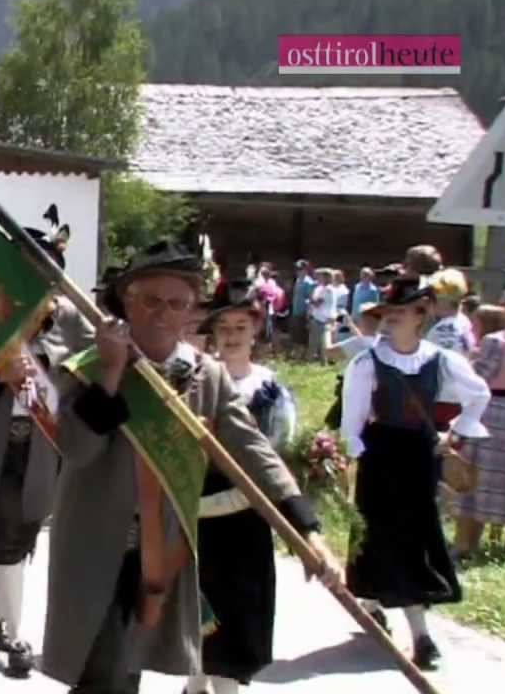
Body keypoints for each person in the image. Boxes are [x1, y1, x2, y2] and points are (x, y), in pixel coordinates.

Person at [43, 241, 341, 694]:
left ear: (191, 311)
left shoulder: (205, 375)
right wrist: (111, 373)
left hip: (163, 551)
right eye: (151, 301)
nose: (163, 314)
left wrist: (308, 530)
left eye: (177, 303)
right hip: (96, 544)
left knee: (130, 665)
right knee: (102, 672)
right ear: (126, 301)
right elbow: (76, 448)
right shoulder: (86, 368)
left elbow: (254, 452)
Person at [0, 227, 91, 679]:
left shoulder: (68, 315)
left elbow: (92, 358)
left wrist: (46, 365)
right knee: (7, 532)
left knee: (24, 531)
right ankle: (17, 635)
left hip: (44, 441)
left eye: (44, 268)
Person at [187, 282, 332, 694]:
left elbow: (273, 454)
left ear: (255, 330)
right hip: (199, 516)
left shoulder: (270, 389)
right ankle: (195, 684)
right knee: (200, 612)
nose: (232, 335)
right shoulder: (194, 382)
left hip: (250, 516)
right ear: (212, 333)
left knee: (240, 611)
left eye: (241, 326)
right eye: (224, 327)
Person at [340, 277, 490, 669]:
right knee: (377, 533)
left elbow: (479, 394)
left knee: (414, 538)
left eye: (401, 312)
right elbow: (352, 421)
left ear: (420, 316)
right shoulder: (367, 362)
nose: (392, 318)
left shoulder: (441, 360)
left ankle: (416, 632)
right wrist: (355, 455)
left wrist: (454, 433)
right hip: (380, 455)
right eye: (388, 312)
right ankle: (382, 612)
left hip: (421, 456)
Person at [454, 285, 505, 560]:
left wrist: (468, 362)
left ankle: (466, 543)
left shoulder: (496, 341)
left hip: (494, 411)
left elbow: (479, 377)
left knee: (479, 476)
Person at [426, 268, 475, 355]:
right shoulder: (463, 321)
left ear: (443, 300)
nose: (428, 301)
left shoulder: (444, 330)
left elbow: (443, 360)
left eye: (431, 297)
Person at [308, 269, 338, 364]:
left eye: (322, 276)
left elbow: (317, 303)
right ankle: (315, 361)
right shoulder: (321, 288)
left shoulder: (328, 289)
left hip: (324, 320)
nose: (320, 278)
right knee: (315, 342)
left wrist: (311, 300)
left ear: (327, 278)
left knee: (324, 343)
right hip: (318, 318)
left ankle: (324, 363)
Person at [290, 260, 315, 354]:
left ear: (306, 269)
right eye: (297, 269)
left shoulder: (308, 282)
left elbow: (310, 299)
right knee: (296, 333)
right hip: (296, 311)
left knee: (303, 334)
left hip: (303, 312)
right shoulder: (298, 280)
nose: (298, 271)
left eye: (300, 269)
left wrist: (308, 313)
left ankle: (303, 354)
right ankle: (297, 353)